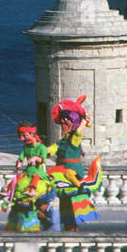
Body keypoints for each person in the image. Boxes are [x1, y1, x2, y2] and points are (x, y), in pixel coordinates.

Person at [48, 96, 102, 230]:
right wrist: (40, 152)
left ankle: (79, 187)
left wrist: (83, 119)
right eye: (62, 124)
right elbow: (50, 150)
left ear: (72, 124)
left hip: (72, 170)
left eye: (66, 124)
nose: (63, 126)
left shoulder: (74, 140)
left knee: (68, 177)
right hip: (60, 170)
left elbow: (79, 132)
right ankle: (67, 224)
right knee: (64, 200)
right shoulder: (61, 142)